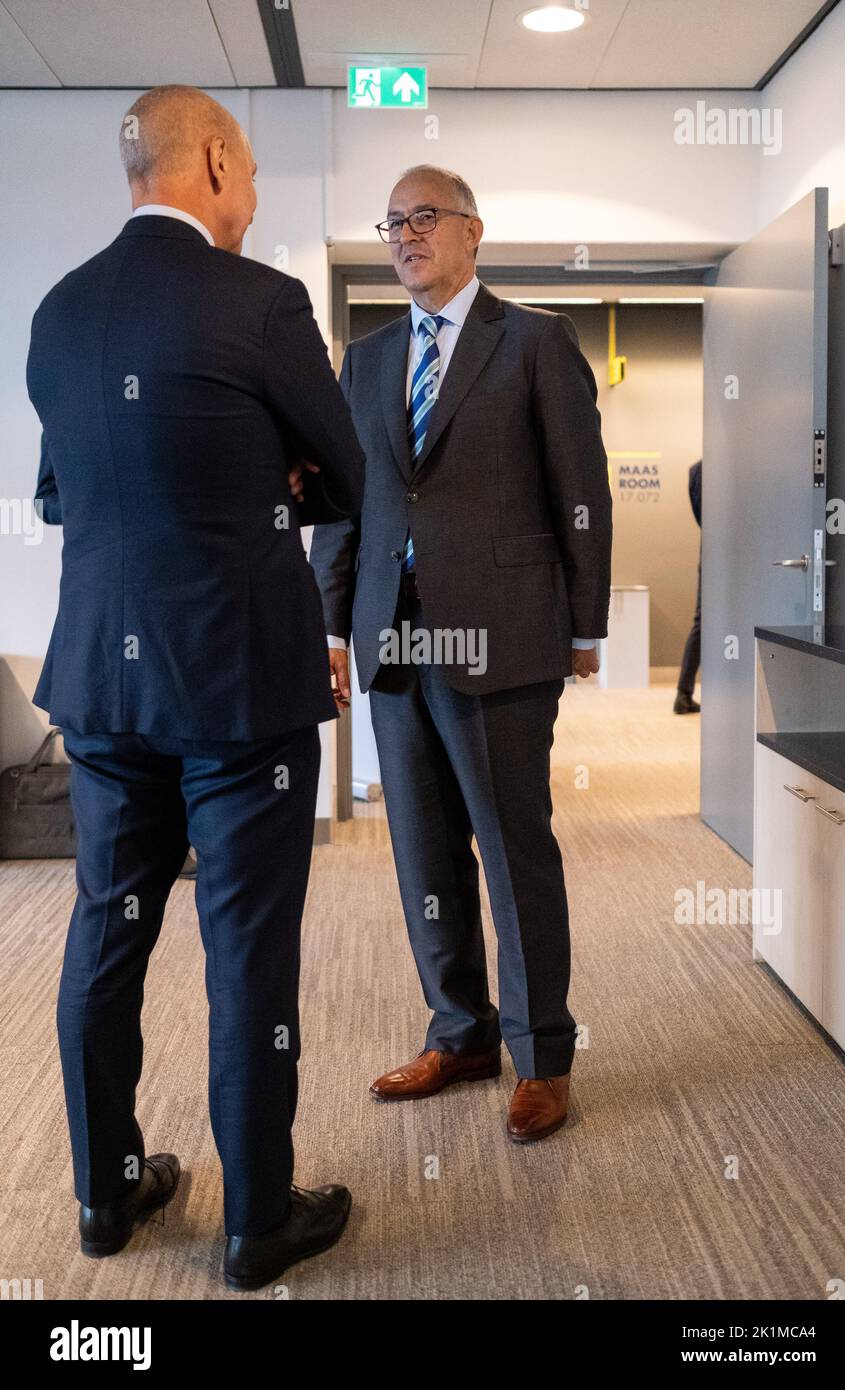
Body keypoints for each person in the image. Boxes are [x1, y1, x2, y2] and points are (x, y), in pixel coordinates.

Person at [26, 84, 365, 1291]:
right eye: (255, 170)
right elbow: (349, 476)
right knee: (247, 953)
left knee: (104, 935)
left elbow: (56, 496)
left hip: (102, 690)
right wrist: (277, 476)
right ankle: (255, 1222)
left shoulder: (59, 310)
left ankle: (104, 1194)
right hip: (237, 688)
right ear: (214, 159)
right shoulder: (261, 302)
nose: (257, 194)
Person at [311, 165, 612, 1144]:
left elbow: (581, 489)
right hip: (392, 636)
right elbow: (345, 505)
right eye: (392, 223)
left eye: (423, 217)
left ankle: (541, 1054)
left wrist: (584, 627)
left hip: (503, 634)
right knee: (423, 849)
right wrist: (331, 626)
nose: (405, 235)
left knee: (513, 849)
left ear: (472, 230)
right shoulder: (365, 360)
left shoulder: (533, 341)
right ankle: (462, 1032)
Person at [674, 460, 702, 714]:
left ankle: (684, 693)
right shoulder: (729, 469)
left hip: (709, 550)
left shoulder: (695, 471)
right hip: (731, 554)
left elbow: (699, 517)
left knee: (701, 623)